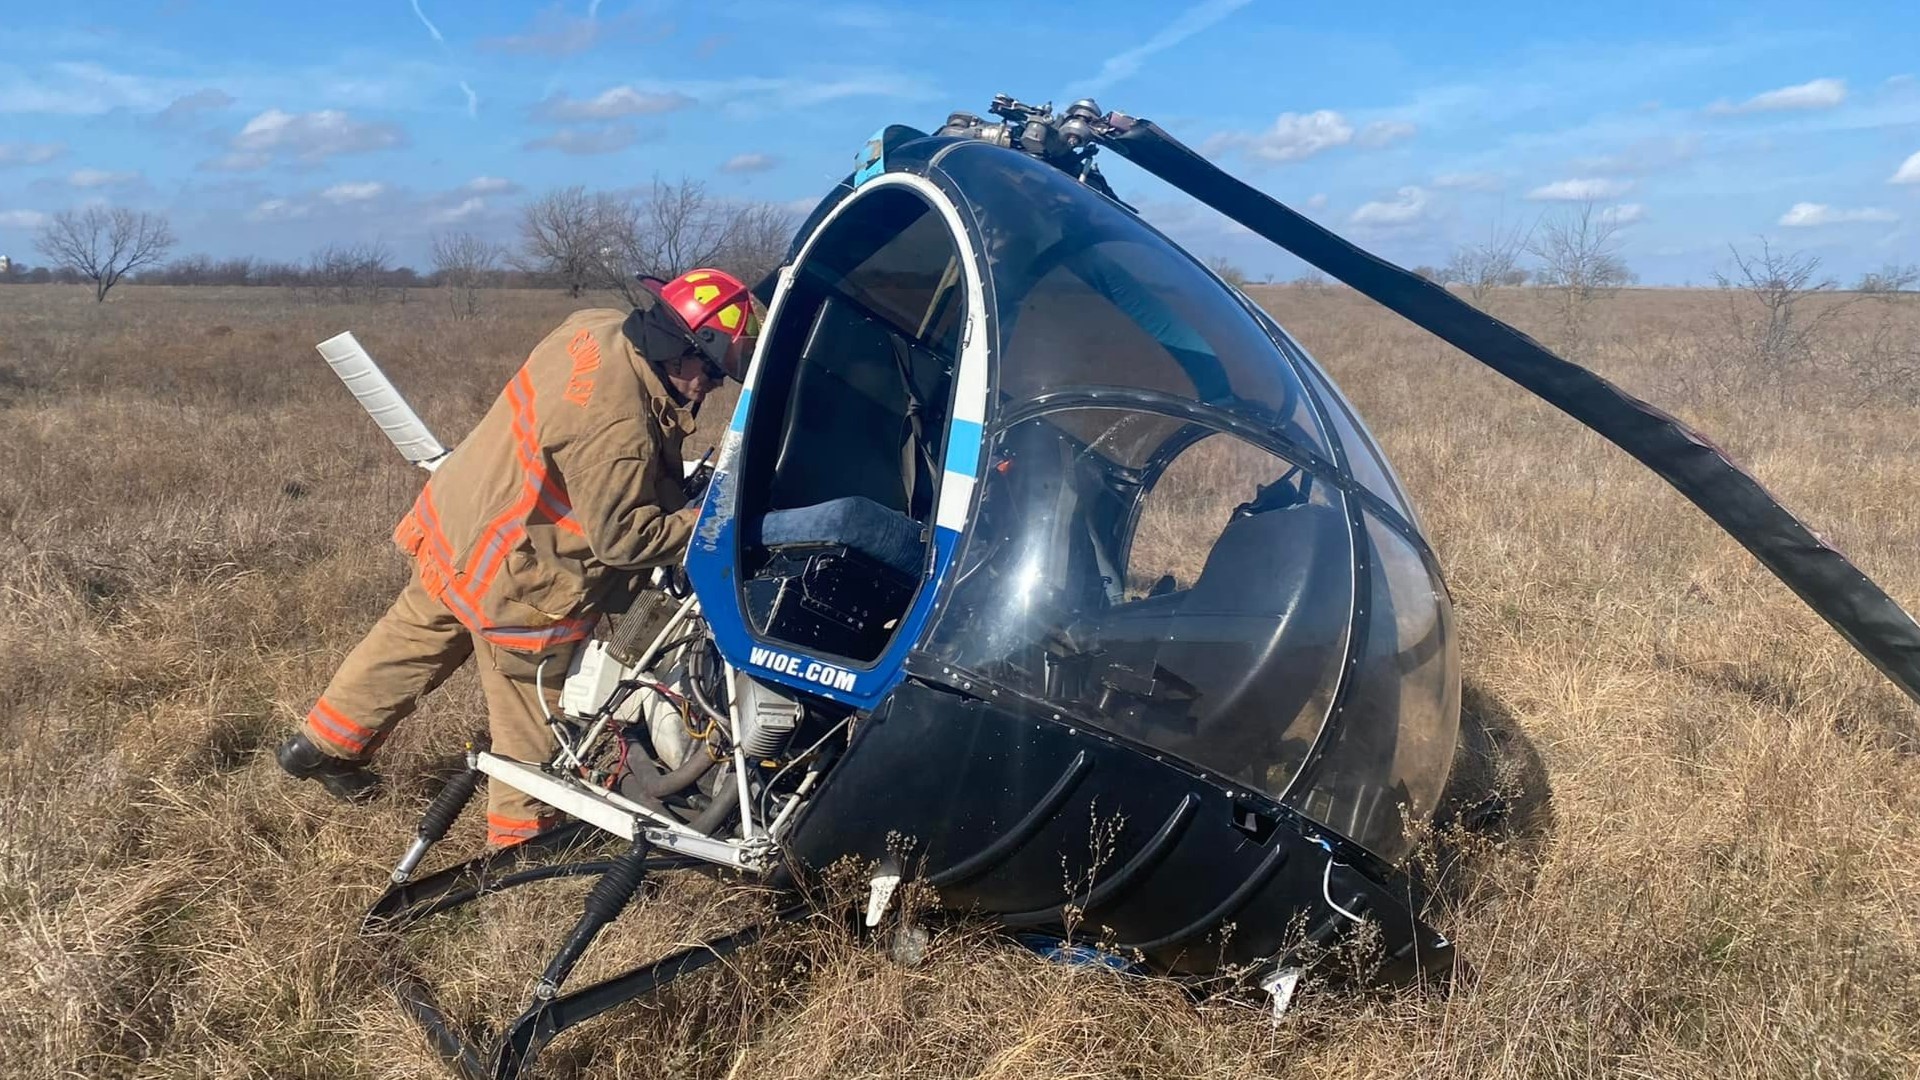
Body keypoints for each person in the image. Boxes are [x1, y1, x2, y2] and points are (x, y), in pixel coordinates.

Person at [275, 268, 759, 847]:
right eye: (710, 371)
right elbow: (624, 539)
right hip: (521, 582)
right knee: (531, 723)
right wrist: (711, 523)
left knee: (406, 643)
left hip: (460, 529)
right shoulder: (619, 425)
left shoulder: (592, 329)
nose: (710, 387)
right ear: (680, 351)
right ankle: (523, 851)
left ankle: (318, 748)